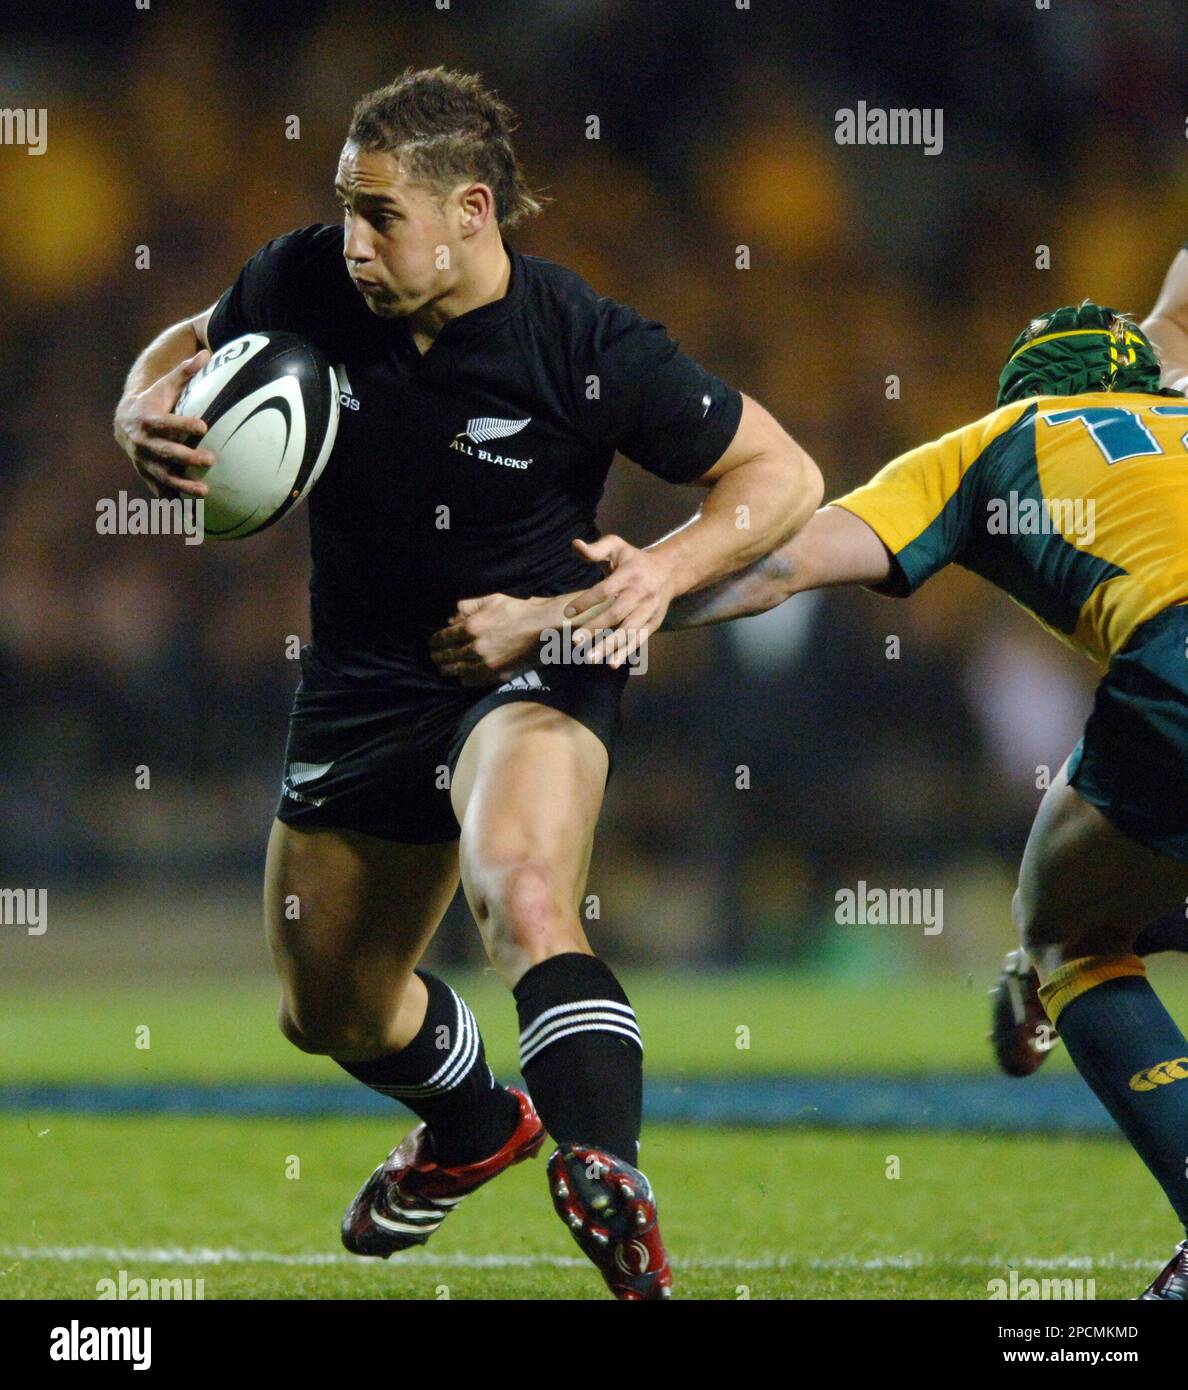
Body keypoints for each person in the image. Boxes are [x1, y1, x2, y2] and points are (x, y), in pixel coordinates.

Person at [112, 66, 822, 1301]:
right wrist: (138, 402)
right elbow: (192, 337)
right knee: (328, 1005)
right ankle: (479, 1123)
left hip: (535, 658)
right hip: (362, 677)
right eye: (347, 207)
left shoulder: (582, 342)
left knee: (524, 887)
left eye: (380, 214)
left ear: (470, 212)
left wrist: (653, 575)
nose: (354, 240)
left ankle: (606, 1171)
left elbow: (783, 474)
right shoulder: (308, 279)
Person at [441, 302, 1188, 1299]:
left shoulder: (997, 441)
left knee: (1069, 931)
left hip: (1175, 666)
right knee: (1088, 896)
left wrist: (554, 617)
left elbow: (780, 564)